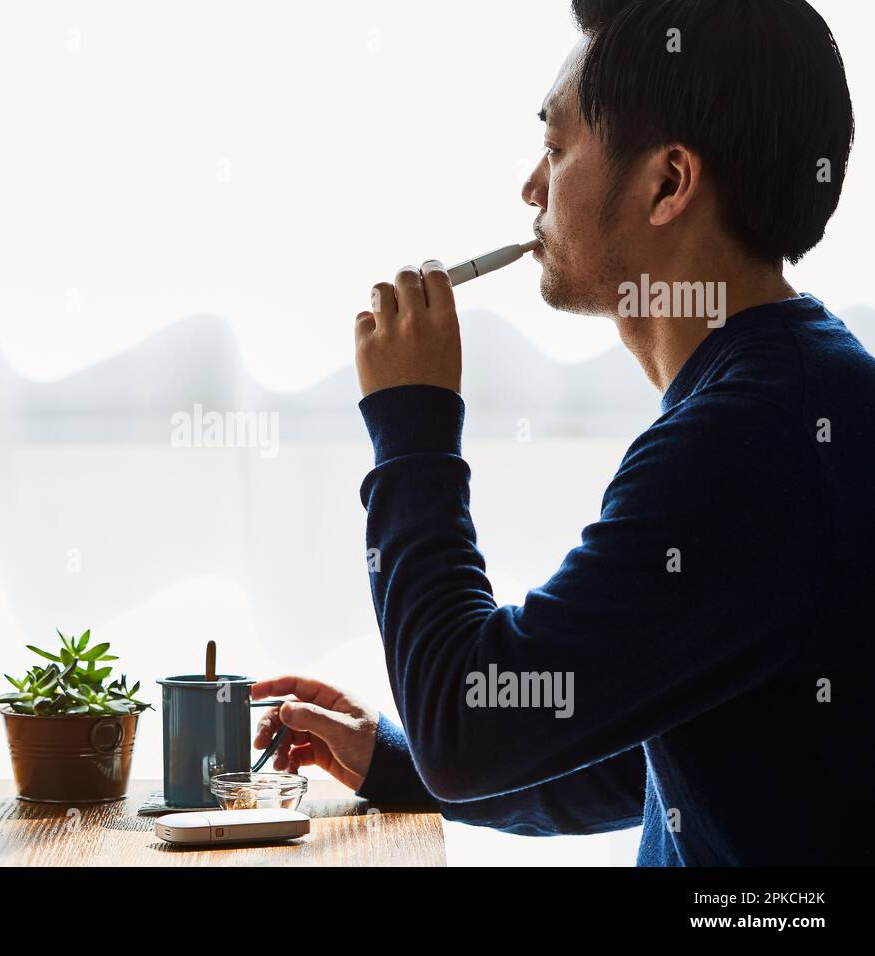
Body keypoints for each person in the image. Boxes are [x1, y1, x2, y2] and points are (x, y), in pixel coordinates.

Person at [255, 0, 872, 865]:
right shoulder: (793, 392)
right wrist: (400, 760)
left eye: (554, 147)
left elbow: (470, 726)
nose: (530, 189)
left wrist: (414, 426)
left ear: (668, 183)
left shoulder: (749, 439)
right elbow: (655, 751)